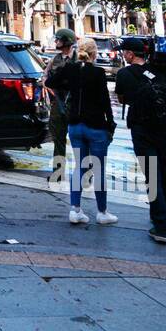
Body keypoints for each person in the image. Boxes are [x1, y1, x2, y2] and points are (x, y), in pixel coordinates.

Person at [48, 37, 118, 225]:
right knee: (98, 168)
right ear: (94, 53)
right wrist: (110, 123)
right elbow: (105, 101)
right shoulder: (98, 72)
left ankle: (75, 209)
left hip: (75, 125)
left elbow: (50, 81)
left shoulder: (71, 69)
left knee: (80, 167)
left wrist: (67, 80)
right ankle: (102, 212)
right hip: (95, 125)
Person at [115, 35, 166, 243]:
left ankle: (159, 225)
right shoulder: (159, 71)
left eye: (125, 52)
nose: (123, 55)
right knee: (164, 172)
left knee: (152, 174)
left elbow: (122, 98)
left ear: (131, 54)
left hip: (142, 128)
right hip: (165, 128)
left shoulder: (124, 74)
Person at [43, 27, 79, 181]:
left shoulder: (79, 59)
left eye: (58, 39)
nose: (56, 42)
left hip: (76, 104)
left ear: (67, 42)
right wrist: (53, 92)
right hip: (58, 104)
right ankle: (58, 173)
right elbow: (45, 78)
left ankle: (85, 173)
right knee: (58, 140)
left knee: (79, 141)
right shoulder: (54, 60)